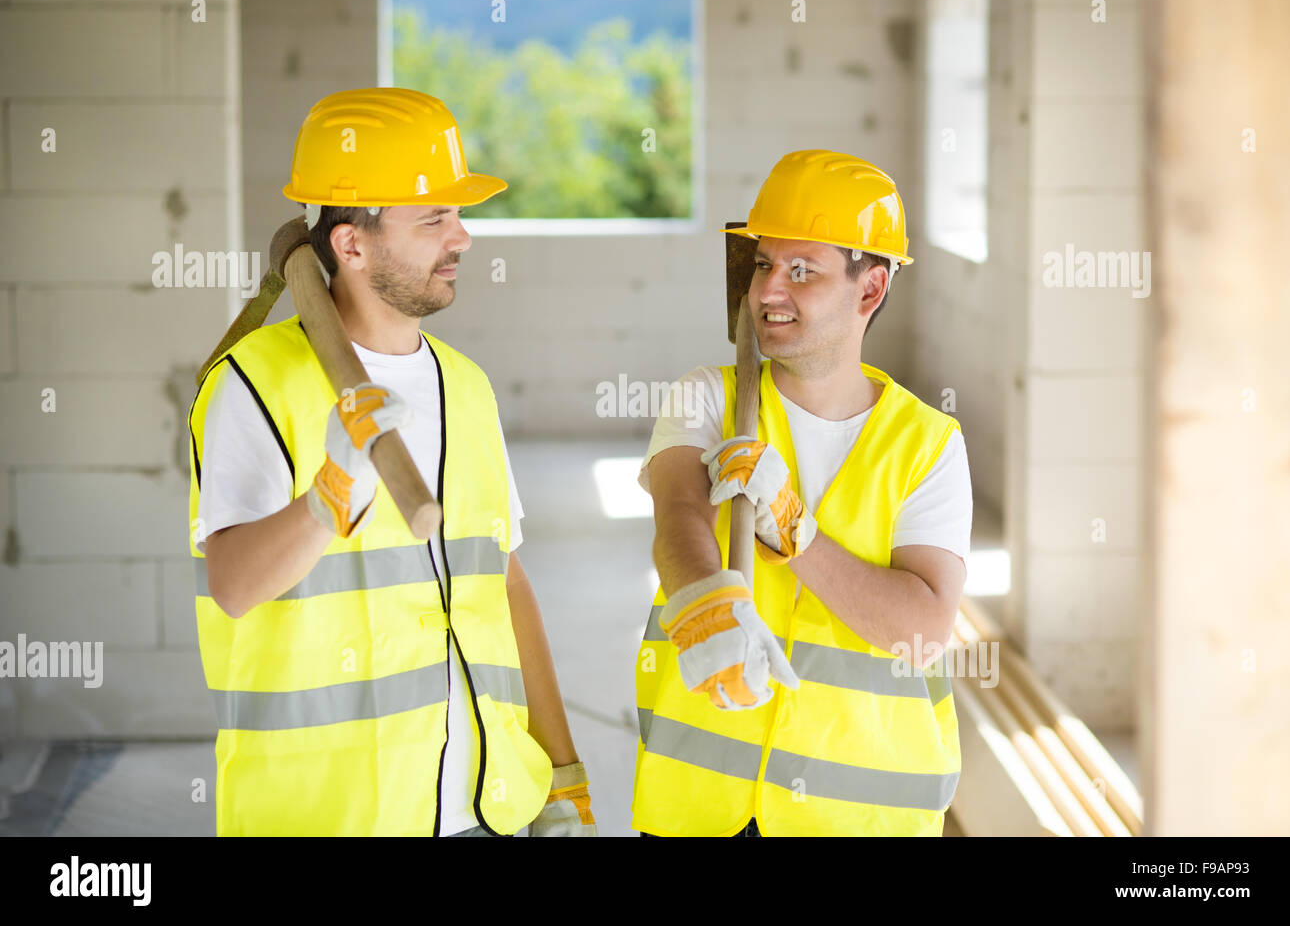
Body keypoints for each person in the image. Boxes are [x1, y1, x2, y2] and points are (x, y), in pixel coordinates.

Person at [187, 87, 595, 837]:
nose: (462, 238)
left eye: (459, 214)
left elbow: (504, 580)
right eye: (433, 217)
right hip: (327, 818)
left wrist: (560, 777)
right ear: (351, 244)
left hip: (481, 809)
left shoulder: (465, 387)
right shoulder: (255, 382)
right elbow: (233, 585)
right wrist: (325, 500)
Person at [632, 150, 972, 836]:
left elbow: (921, 630)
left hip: (860, 815)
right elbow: (679, 516)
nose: (768, 292)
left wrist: (797, 534)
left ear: (870, 289)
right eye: (762, 264)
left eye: (801, 271)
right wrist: (706, 605)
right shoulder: (708, 397)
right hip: (703, 807)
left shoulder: (928, 444)